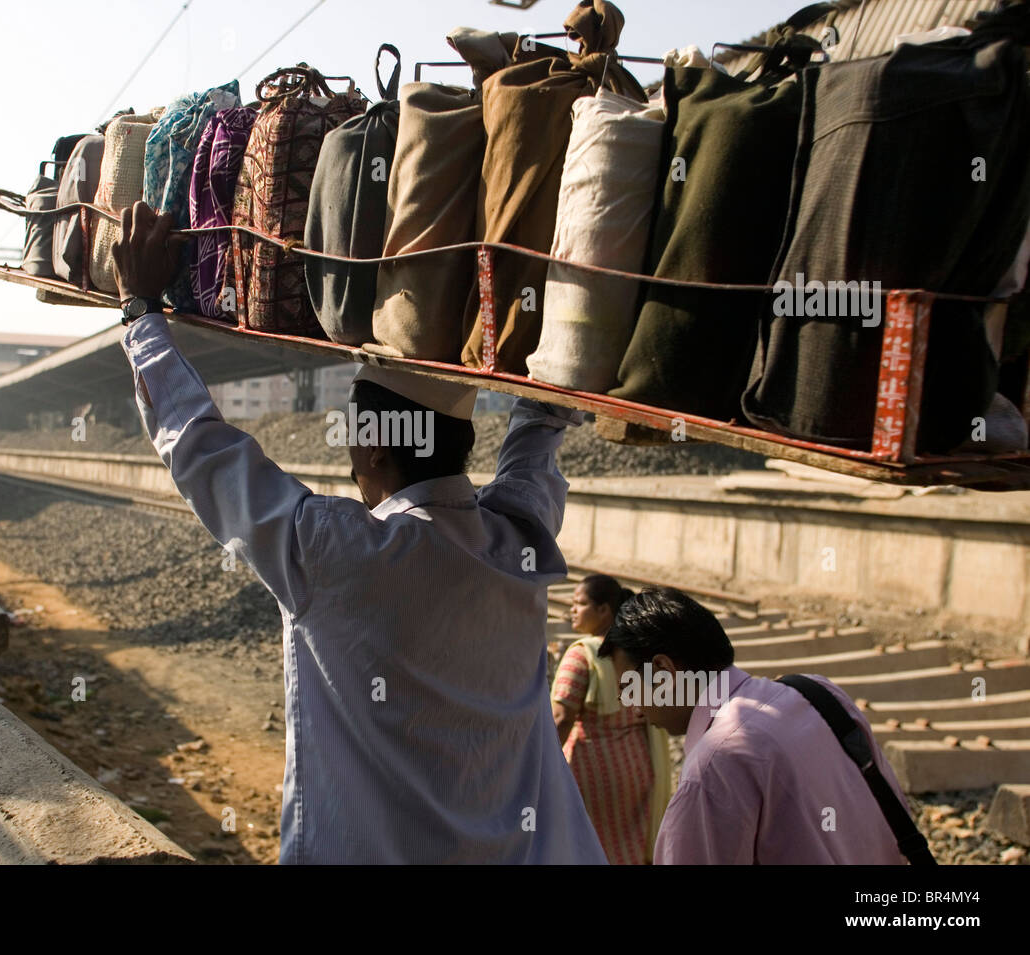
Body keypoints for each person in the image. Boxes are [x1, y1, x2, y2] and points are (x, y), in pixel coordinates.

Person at [113, 202, 605, 864]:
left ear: (375, 448)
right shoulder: (518, 543)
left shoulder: (336, 552)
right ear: (458, 442)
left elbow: (204, 453)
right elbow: (534, 439)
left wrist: (141, 313)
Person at [598, 586, 912, 864]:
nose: (633, 708)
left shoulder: (712, 769)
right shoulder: (820, 694)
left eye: (629, 689)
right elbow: (894, 818)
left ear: (663, 672)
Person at [551, 574, 671, 864]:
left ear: (604, 610)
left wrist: (544, 768)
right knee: (626, 849)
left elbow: (561, 717)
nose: (573, 610)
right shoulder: (636, 653)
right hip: (638, 768)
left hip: (591, 775)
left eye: (580, 604)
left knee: (586, 849)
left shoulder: (582, 655)